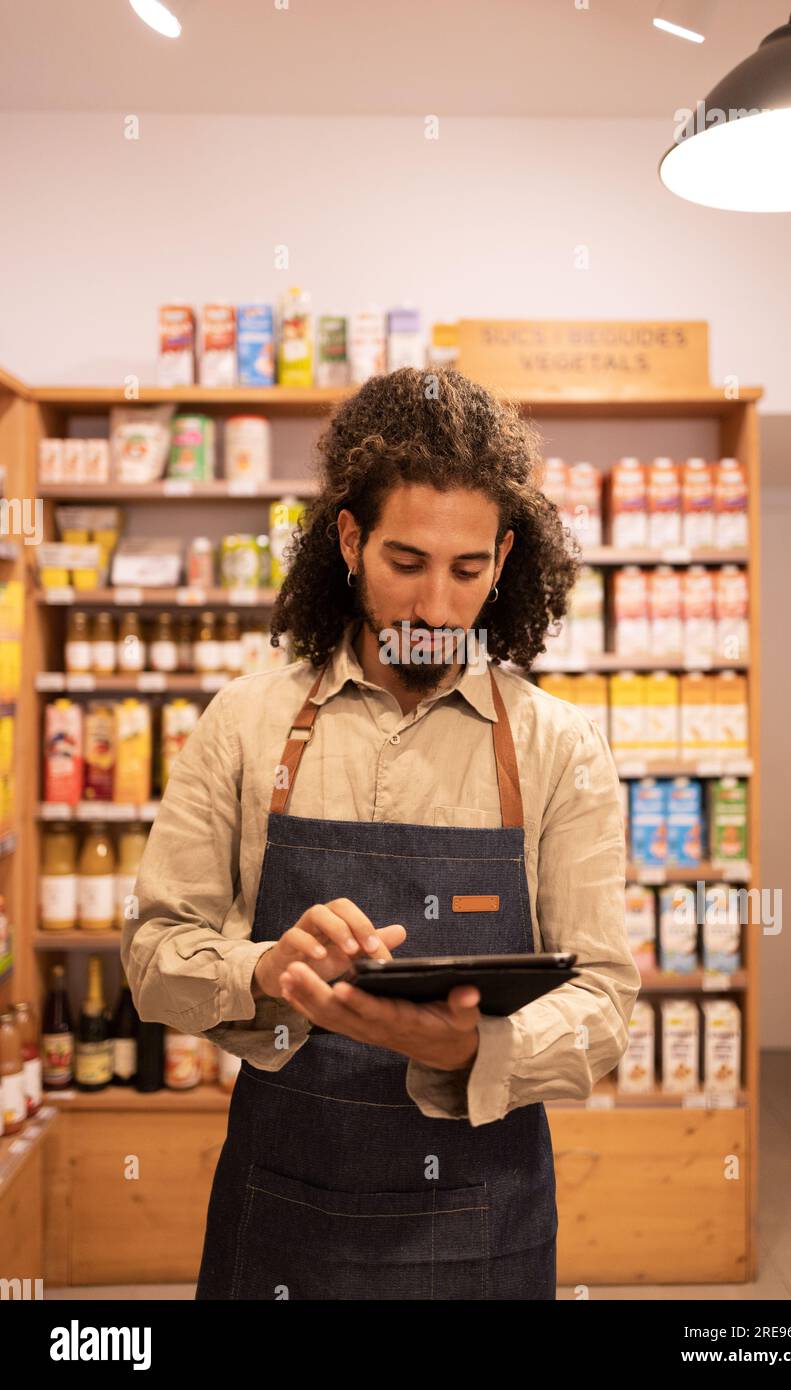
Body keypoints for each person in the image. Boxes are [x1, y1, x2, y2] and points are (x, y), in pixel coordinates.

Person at [122, 365, 640, 1301]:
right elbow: (155, 954)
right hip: (284, 1206)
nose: (437, 609)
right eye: (407, 563)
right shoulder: (245, 724)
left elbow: (604, 1002)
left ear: (506, 557)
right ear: (351, 541)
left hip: (483, 1216)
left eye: (469, 569)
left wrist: (474, 1050)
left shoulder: (559, 748)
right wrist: (261, 972)